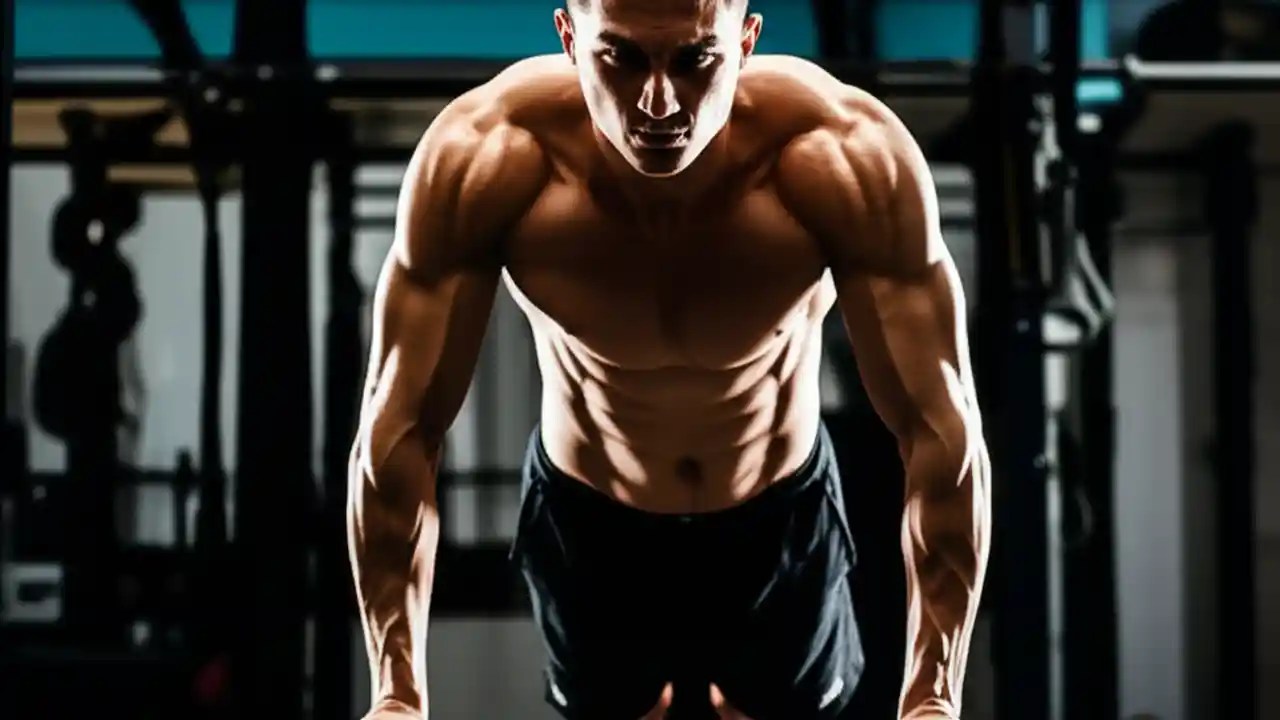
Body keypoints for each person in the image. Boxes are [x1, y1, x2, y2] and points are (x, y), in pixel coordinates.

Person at [347, 0, 992, 718]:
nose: (658, 102)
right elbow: (399, 432)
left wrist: (934, 696)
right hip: (591, 525)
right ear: (569, 38)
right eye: (620, 58)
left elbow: (943, 434)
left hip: (775, 520)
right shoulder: (488, 156)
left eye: (695, 61)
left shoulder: (840, 154)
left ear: (745, 43)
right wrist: (396, 694)